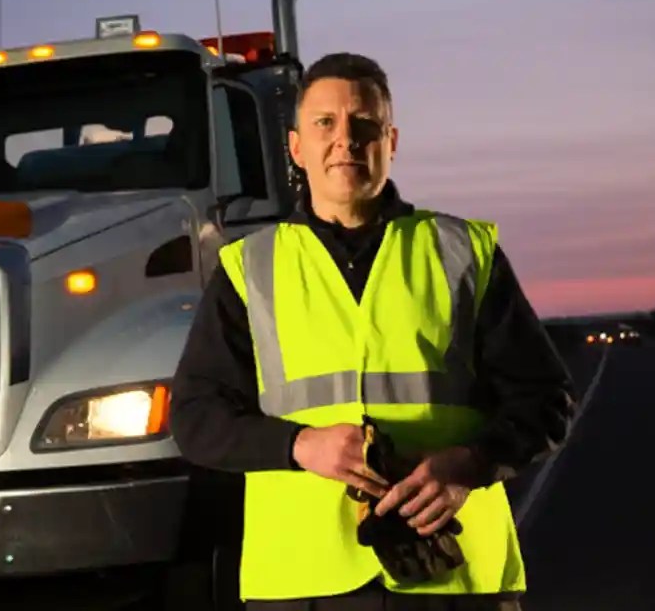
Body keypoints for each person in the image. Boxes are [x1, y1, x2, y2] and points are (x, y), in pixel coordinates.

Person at [169, 52, 576, 610]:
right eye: (325, 124)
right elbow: (195, 417)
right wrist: (298, 445)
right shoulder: (249, 268)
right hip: (304, 583)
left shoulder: (461, 252)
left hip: (451, 579)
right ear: (295, 147)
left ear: (392, 140)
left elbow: (546, 402)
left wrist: (470, 464)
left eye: (365, 125)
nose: (346, 140)